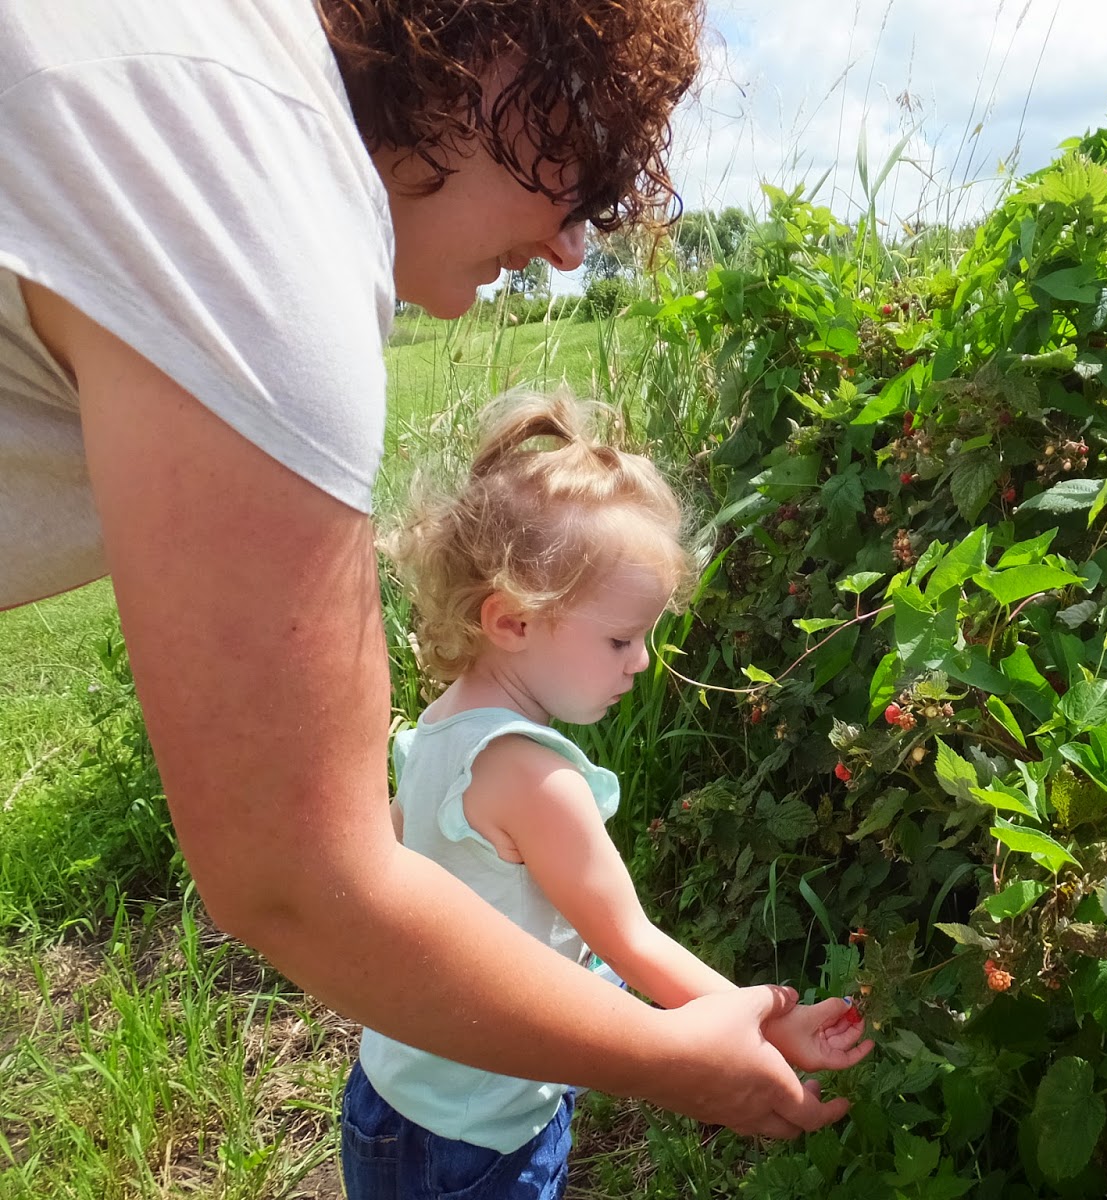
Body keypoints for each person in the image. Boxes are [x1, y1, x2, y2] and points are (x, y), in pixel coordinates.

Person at [0, 0, 850, 1138]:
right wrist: (673, 1060)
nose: (569, 246)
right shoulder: (259, 194)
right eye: (580, 161)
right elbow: (295, 878)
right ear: (483, 50)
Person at [342, 391, 874, 1198]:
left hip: (395, 1100)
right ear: (512, 621)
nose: (641, 661)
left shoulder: (440, 726)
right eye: (621, 638)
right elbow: (631, 940)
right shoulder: (535, 776)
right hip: (477, 1139)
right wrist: (766, 1026)